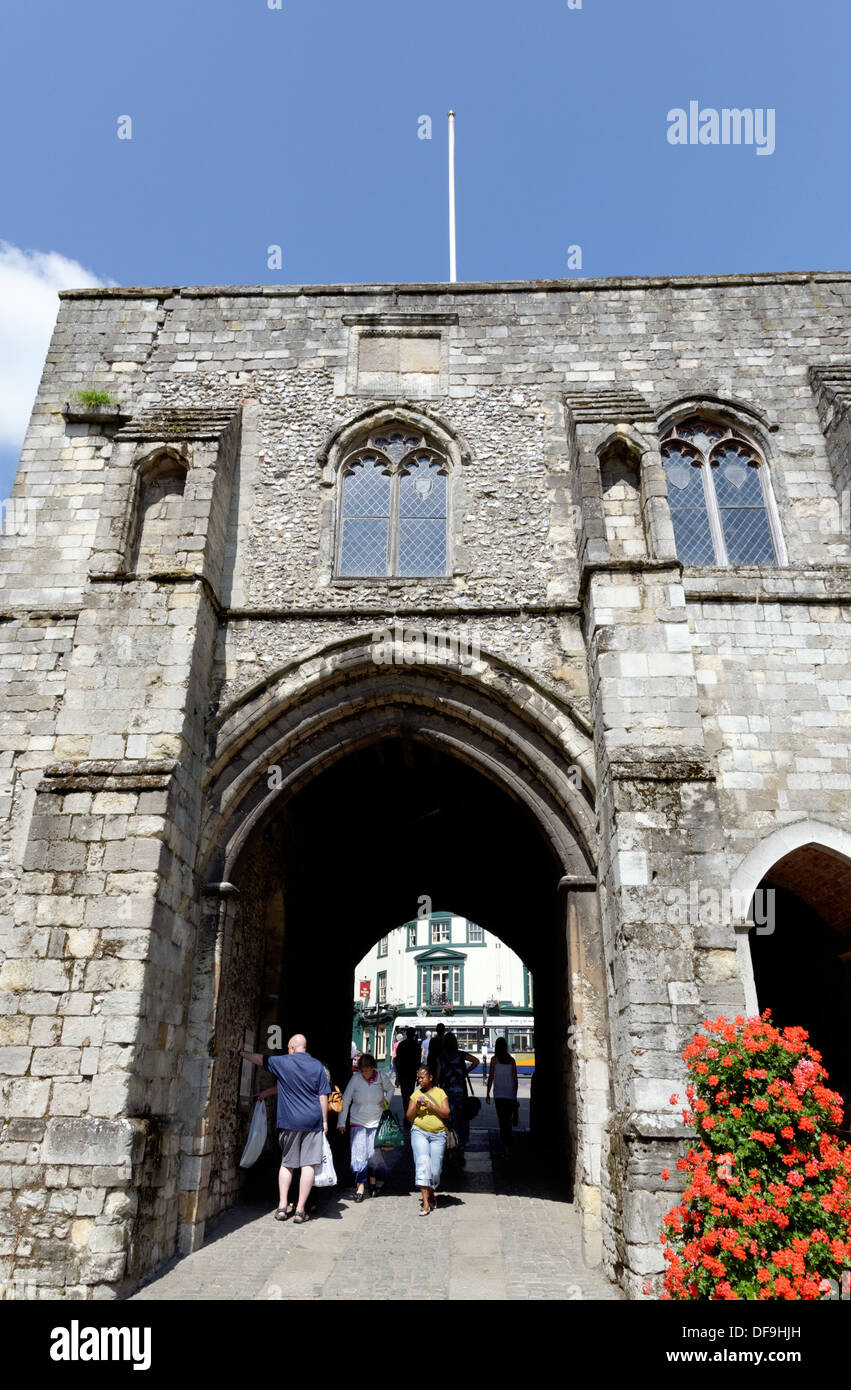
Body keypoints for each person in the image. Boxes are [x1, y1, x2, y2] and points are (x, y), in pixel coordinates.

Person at [240, 1033, 329, 1224]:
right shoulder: (317, 1066)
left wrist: (242, 1052)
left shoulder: (283, 1063)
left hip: (289, 1121)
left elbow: (260, 1059)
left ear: (291, 1048)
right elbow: (323, 1096)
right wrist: (325, 1121)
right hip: (312, 1122)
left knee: (287, 1163)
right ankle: (300, 1210)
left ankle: (282, 1206)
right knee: (308, 1165)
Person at [338, 1054, 395, 1201]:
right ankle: (360, 1187)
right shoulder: (355, 1079)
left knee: (373, 1155)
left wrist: (386, 1100)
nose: (363, 1073)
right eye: (361, 1070)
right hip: (358, 1121)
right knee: (359, 1155)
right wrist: (341, 1122)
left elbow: (390, 1089)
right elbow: (346, 1099)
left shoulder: (381, 1077)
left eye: (366, 1070)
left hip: (376, 1121)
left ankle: (373, 1182)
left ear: (372, 1068)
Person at [406, 1063, 450, 1215]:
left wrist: (432, 1107)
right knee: (423, 1164)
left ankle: (431, 1191)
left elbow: (446, 1113)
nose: (420, 1080)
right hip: (419, 1133)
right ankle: (425, 1203)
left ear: (430, 1077)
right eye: (418, 1078)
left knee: (436, 1169)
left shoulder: (440, 1093)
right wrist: (417, 1107)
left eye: (422, 1077)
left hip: (438, 1135)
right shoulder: (415, 1095)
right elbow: (409, 1117)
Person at [439, 1032, 480, 1161]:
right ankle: (461, 1149)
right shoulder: (461, 1054)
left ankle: (450, 1149)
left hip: (446, 1094)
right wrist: (465, 1071)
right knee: (462, 1120)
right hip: (460, 1093)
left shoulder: (441, 1057)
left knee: (447, 1122)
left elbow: (438, 1075)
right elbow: (476, 1061)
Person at [486, 1035, 519, 1158]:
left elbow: (490, 1077)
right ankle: (508, 1146)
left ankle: (505, 1145)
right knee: (508, 1121)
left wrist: (488, 1093)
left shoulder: (494, 1060)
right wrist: (515, 1096)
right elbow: (515, 1079)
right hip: (510, 1094)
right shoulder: (512, 1061)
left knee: (502, 1120)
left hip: (499, 1094)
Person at [394, 1027, 421, 1129]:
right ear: (414, 1034)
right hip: (411, 1074)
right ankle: (408, 1116)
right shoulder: (416, 1046)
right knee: (410, 1095)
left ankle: (407, 1115)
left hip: (403, 1073)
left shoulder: (402, 1045)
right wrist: (418, 1075)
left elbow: (397, 1060)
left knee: (404, 1096)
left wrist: (397, 1075)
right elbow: (418, 1062)